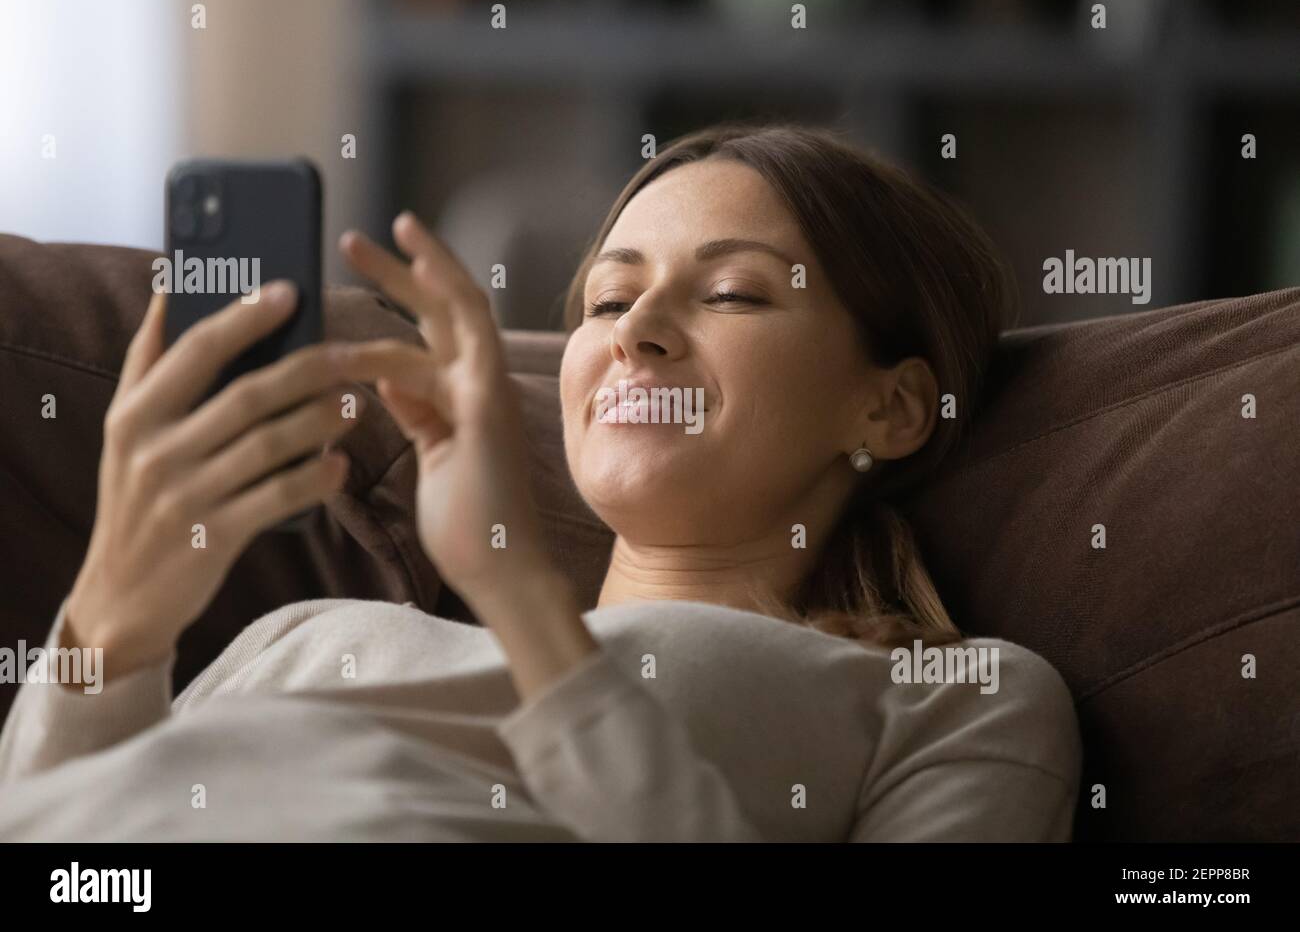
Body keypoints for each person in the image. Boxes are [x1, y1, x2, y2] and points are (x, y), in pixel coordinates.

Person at [0, 123, 1081, 841]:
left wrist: (518, 594)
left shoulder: (951, 695)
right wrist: (112, 614)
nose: (637, 335)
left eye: (735, 294)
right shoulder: (296, 630)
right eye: (608, 303)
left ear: (889, 406)